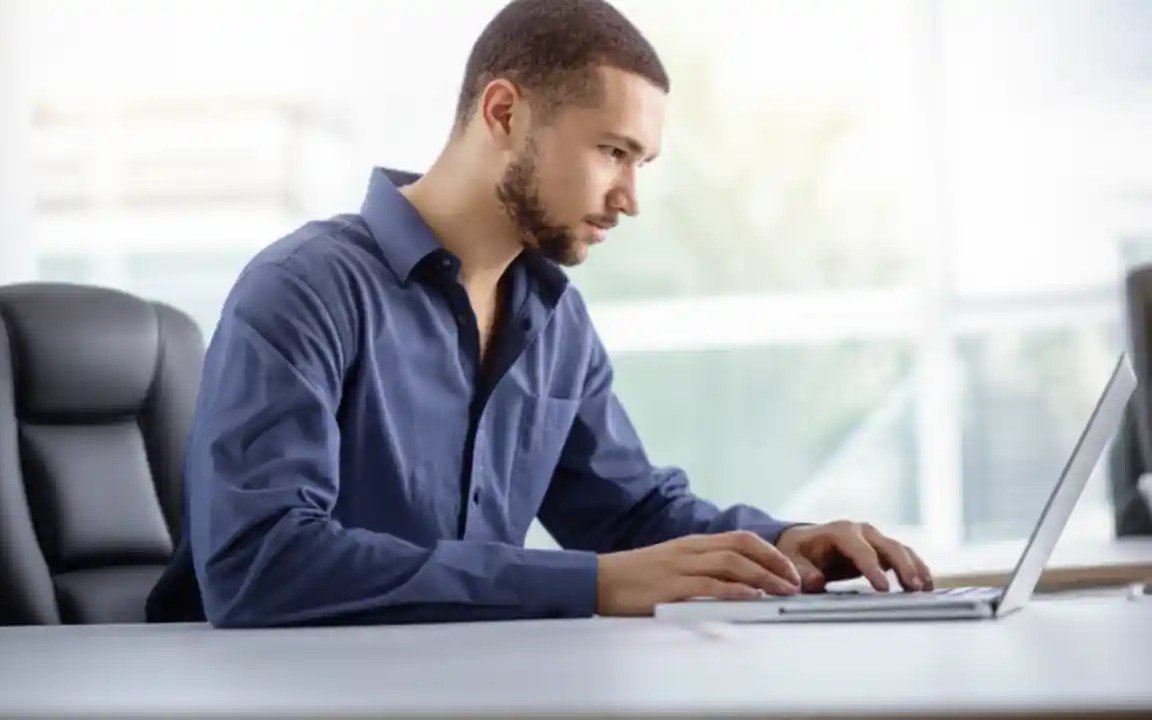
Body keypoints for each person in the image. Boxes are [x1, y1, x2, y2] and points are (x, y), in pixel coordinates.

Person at [145, 0, 934, 627]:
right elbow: (260, 565)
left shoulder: (554, 321)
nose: (630, 199)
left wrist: (783, 545)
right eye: (613, 152)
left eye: (641, 163)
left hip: (465, 689)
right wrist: (591, 585)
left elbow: (631, 517)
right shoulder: (303, 290)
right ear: (503, 114)